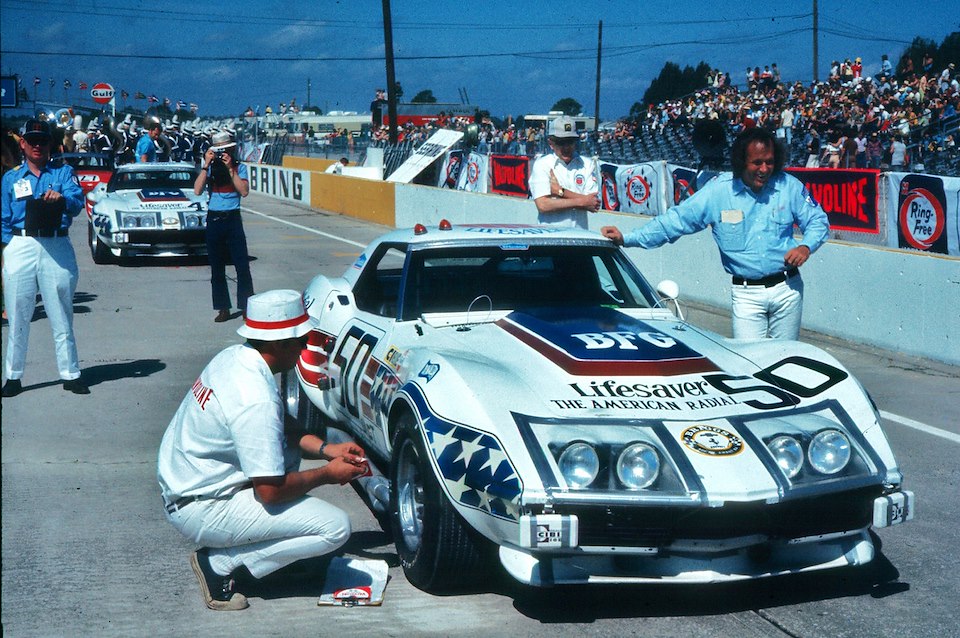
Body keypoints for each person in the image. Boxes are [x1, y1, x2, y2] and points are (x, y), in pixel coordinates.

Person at [158, 289, 368, 611]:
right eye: (300, 340)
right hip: (201, 505)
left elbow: (280, 426)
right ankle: (221, 565)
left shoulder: (235, 358)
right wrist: (328, 474)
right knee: (334, 528)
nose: (304, 347)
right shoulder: (254, 397)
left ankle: (258, 554)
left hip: (189, 484)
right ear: (278, 343)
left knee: (286, 458)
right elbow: (270, 492)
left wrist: (328, 450)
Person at [601, 128, 829, 341]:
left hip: (787, 290)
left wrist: (805, 246)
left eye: (769, 162)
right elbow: (675, 221)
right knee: (748, 362)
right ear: (741, 162)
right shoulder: (718, 191)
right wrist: (628, 238)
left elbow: (818, 221)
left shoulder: (789, 187)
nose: (764, 169)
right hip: (746, 295)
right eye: (756, 162)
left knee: (787, 359)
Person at [1, 119, 89, 397]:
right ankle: (13, 376)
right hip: (21, 242)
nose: (38, 146)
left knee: (61, 312)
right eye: (32, 140)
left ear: (50, 143)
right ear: (23, 144)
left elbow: (77, 203)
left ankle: (70, 373)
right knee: (18, 313)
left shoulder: (63, 173)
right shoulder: (11, 178)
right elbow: (2, 218)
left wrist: (61, 198)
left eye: (43, 140)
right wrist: (7, 250)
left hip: (55, 242)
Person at [194, 131, 253, 322]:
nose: (223, 154)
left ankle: (246, 306)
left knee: (241, 265)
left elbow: (243, 191)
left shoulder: (240, 168)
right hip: (214, 219)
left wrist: (230, 169)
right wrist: (206, 165)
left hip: (232, 218)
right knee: (216, 267)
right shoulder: (210, 168)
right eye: (219, 151)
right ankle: (222, 307)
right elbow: (197, 190)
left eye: (225, 150)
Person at [527, 115, 600, 228]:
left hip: (580, 238)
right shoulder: (542, 164)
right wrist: (583, 201)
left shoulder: (587, 164)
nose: (566, 147)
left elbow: (594, 203)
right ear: (551, 143)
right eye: (561, 142)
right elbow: (543, 205)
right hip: (551, 238)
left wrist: (561, 192)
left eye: (570, 141)